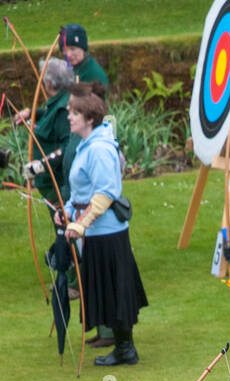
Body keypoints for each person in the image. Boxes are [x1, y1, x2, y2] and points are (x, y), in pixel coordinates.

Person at [63, 88, 146, 365]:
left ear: (89, 118)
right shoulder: (88, 144)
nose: (69, 117)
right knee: (110, 290)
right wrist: (66, 212)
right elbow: (81, 191)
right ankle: (124, 348)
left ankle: (125, 349)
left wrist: (81, 224)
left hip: (107, 232)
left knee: (115, 290)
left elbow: (105, 193)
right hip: (97, 232)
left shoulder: (99, 148)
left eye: (74, 113)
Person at [16, 58, 74, 196]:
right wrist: (32, 113)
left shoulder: (63, 108)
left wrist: (41, 164)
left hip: (57, 183)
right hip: (51, 182)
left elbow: (68, 146)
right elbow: (51, 118)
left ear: (48, 82)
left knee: (63, 218)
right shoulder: (60, 101)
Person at [61, 24, 109, 89]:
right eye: (65, 50)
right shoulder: (72, 68)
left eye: (73, 49)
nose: (68, 55)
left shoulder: (93, 74)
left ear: (83, 49)